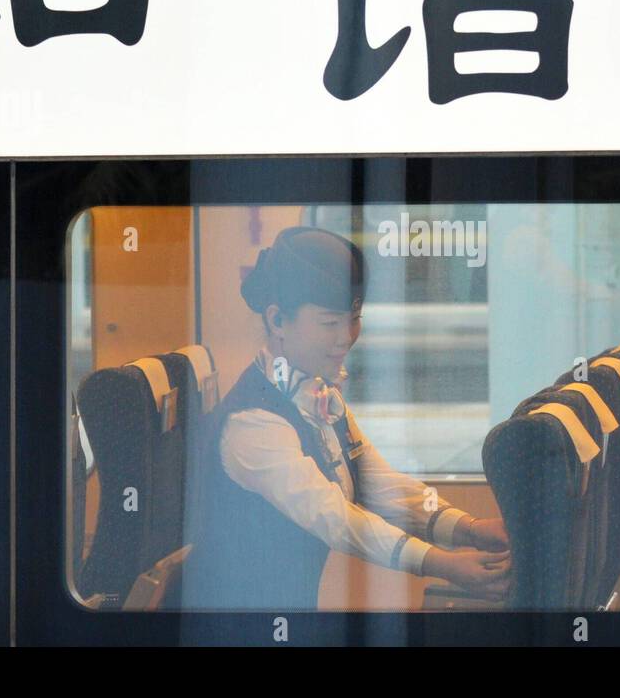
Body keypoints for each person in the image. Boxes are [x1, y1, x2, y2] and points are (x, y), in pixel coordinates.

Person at [186, 225, 511, 610]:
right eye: (330, 323)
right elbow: (337, 519)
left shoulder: (316, 393)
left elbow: (377, 483)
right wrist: (441, 563)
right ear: (277, 320)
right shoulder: (252, 423)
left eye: (353, 319)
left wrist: (467, 529)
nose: (346, 337)